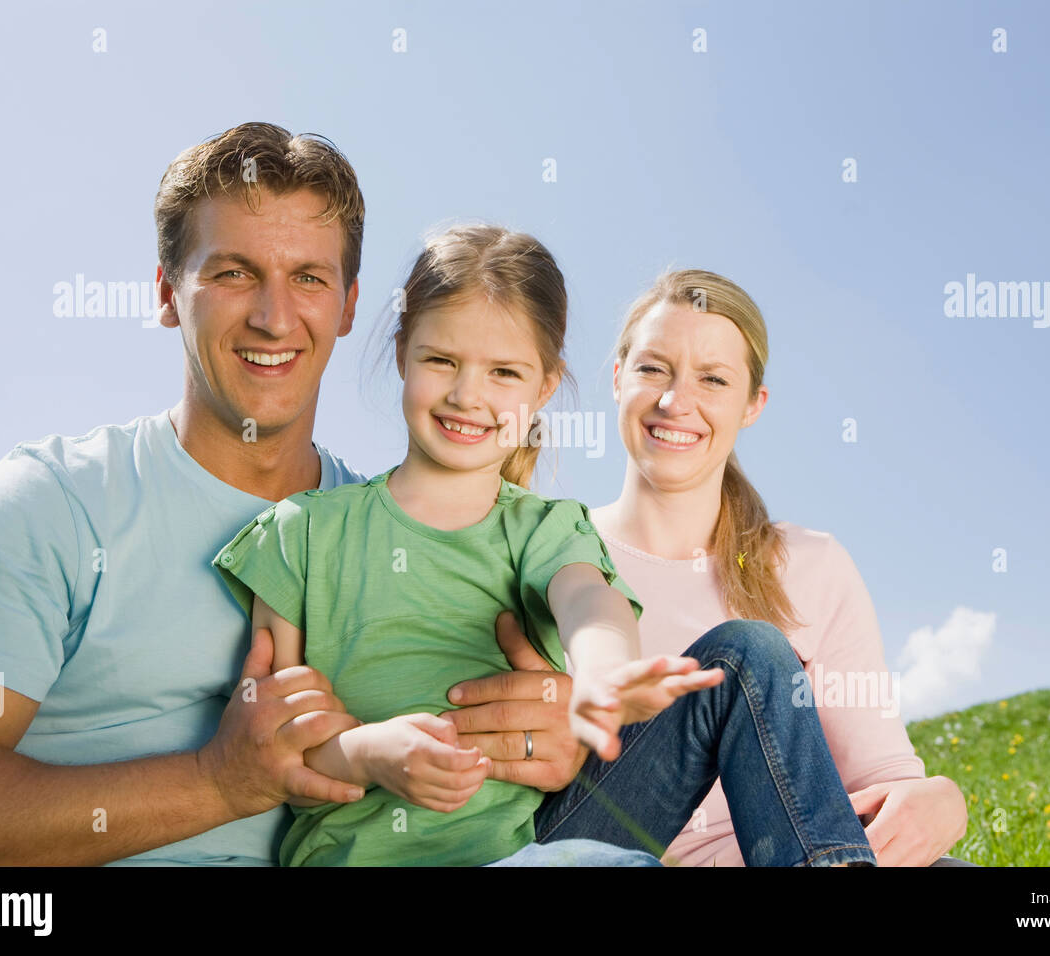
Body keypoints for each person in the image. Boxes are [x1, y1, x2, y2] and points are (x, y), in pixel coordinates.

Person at [0, 122, 870, 866]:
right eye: (232, 272)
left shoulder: (407, 527)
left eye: (308, 277)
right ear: (167, 292)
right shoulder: (57, 505)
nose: (275, 314)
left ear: (352, 304)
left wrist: (563, 729)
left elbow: (576, 611)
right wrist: (214, 779)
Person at [211, 224, 729, 866]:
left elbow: (588, 602)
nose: (467, 396)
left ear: (545, 386)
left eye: (504, 372)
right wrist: (372, 751)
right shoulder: (303, 534)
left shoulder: (543, 530)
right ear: (402, 353)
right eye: (441, 360)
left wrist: (602, 673)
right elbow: (282, 744)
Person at [580, 268, 971, 867]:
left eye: (713, 379)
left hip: (784, 856)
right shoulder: (554, 551)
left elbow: (885, 780)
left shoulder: (813, 567)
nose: (675, 401)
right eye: (653, 368)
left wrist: (942, 799)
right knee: (749, 652)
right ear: (617, 377)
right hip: (608, 853)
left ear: (753, 406)